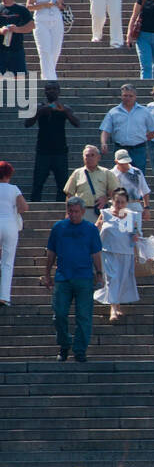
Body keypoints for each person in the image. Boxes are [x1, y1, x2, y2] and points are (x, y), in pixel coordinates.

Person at [44, 196, 103, 362]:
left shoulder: (91, 229)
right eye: (70, 211)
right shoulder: (58, 228)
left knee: (84, 316)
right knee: (59, 314)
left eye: (77, 212)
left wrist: (99, 274)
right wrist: (47, 273)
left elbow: (96, 253)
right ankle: (64, 344)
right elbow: (51, 252)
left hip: (84, 277)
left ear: (83, 212)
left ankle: (80, 350)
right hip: (63, 277)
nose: (74, 215)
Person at [25, 82, 79, 202]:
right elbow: (27, 124)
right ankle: (35, 206)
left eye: (54, 89)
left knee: (63, 184)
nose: (52, 91)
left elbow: (77, 123)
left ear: (59, 92)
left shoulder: (65, 108)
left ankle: (61, 207)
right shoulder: (39, 107)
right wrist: (39, 113)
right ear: (45, 91)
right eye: (49, 89)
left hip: (60, 152)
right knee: (38, 183)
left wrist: (64, 111)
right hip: (43, 152)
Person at [95, 187, 139, 322]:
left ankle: (117, 303)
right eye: (117, 202)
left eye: (122, 202)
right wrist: (100, 226)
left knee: (122, 279)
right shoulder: (105, 213)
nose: (119, 205)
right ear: (112, 201)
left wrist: (136, 245)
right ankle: (113, 309)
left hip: (126, 251)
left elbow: (136, 233)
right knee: (112, 279)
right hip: (109, 251)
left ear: (126, 203)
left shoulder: (132, 215)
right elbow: (95, 228)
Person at [100, 84, 154, 176]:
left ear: (135, 97)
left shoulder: (144, 111)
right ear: (121, 96)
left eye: (130, 96)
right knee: (119, 177)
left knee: (138, 177)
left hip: (138, 150)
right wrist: (103, 143)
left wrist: (143, 138)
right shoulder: (113, 112)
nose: (128, 98)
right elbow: (105, 130)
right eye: (125, 95)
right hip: (120, 149)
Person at [25, 0, 67, 81]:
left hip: (56, 20)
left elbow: (62, 5)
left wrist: (59, 4)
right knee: (44, 50)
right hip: (41, 21)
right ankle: (49, 78)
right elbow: (28, 6)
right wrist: (44, 5)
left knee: (55, 50)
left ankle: (50, 74)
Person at [64, 146, 119, 224]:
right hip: (81, 212)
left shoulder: (106, 173)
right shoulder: (77, 173)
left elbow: (116, 192)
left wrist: (106, 198)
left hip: (100, 212)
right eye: (87, 155)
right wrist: (68, 213)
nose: (89, 158)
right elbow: (69, 195)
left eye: (92, 155)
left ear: (98, 157)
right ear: (83, 157)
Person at [0, 161, 26, 307]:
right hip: (9, 225)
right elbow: (23, 207)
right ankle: (4, 296)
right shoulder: (14, 189)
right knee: (7, 262)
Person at [0, 0, 35, 76]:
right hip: (1, 49)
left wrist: (17, 29)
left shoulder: (21, 9)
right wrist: (1, 31)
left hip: (16, 48)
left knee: (19, 78)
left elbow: (31, 25)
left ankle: (19, 91)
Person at [111, 149, 150, 227]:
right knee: (121, 231)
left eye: (126, 163)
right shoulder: (111, 174)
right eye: (122, 163)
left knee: (136, 232)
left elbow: (145, 191)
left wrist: (147, 208)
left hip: (134, 205)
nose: (125, 165)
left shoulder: (137, 172)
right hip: (118, 207)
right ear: (116, 162)